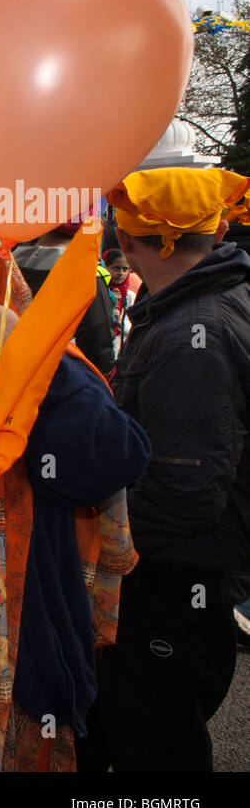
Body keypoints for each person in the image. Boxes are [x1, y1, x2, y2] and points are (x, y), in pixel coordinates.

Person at [0, 215, 150, 772]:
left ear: (0, 277)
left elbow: (118, 455)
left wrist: (29, 356)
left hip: (24, 624)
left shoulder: (50, 362)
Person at [78, 168, 250, 772]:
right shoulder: (195, 304)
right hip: (186, 572)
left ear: (128, 241)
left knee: (157, 739)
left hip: (174, 578)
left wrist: (105, 543)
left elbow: (185, 495)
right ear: (219, 230)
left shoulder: (191, 337)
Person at [13, 221, 117, 377]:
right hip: (64, 383)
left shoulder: (6, 265)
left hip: (8, 377)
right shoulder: (88, 275)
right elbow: (99, 352)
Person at [103, 248, 135, 360]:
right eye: (116, 268)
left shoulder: (129, 296)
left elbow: (133, 330)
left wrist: (120, 321)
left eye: (125, 269)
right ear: (105, 267)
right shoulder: (98, 291)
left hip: (120, 350)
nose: (121, 273)